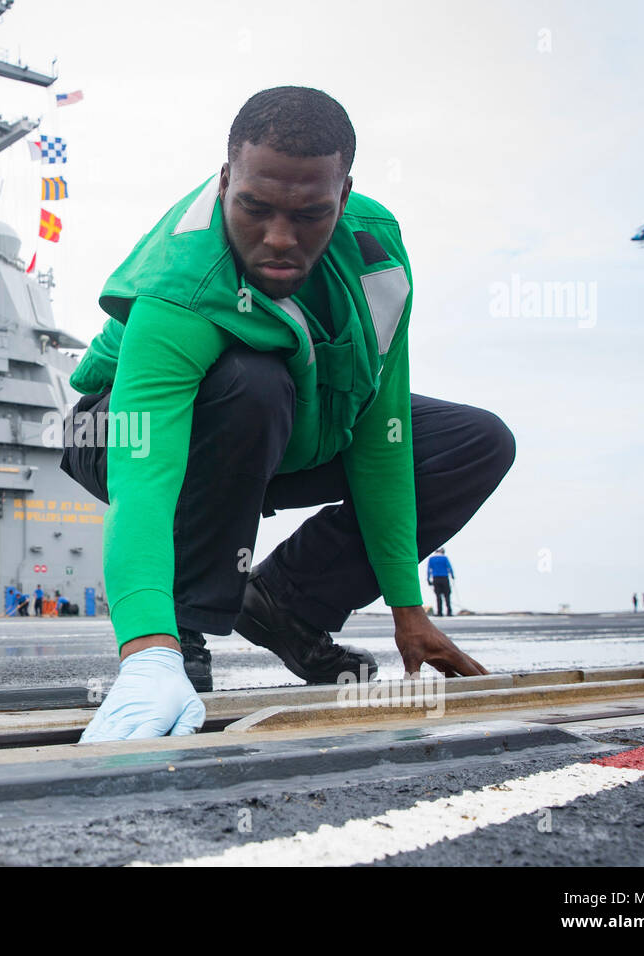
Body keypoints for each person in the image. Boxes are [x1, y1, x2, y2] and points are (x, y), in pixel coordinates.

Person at [60, 87, 514, 742]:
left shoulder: (377, 254)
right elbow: (144, 479)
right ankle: (183, 632)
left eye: (309, 215)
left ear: (344, 194)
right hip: (118, 430)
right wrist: (149, 648)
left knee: (475, 441)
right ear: (224, 183)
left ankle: (290, 604)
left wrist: (407, 611)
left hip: (285, 430)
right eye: (254, 208)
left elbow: (380, 437)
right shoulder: (180, 283)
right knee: (252, 384)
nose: (278, 238)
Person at [427, 548, 454, 617]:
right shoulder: (444, 558)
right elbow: (449, 567)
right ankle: (449, 612)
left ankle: (439, 612)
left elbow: (429, 569)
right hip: (444, 578)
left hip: (436, 579)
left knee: (438, 596)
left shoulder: (431, 559)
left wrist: (428, 579)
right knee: (447, 595)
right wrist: (452, 575)